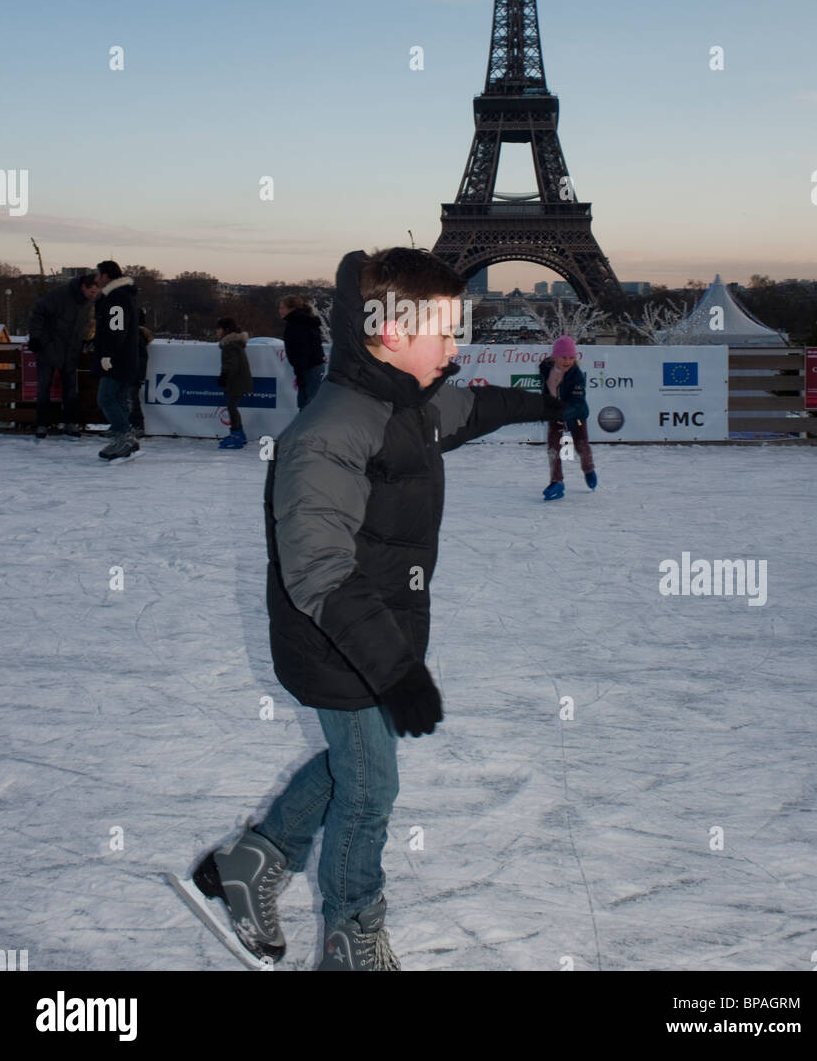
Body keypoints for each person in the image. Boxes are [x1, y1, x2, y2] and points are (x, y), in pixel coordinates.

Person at [188, 247, 571, 971]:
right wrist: (397, 672)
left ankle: (252, 861)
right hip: (338, 641)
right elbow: (319, 572)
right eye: (445, 332)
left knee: (353, 765)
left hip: (381, 628)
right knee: (371, 789)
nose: (455, 349)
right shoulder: (330, 432)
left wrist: (544, 402)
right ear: (393, 332)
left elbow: (470, 408)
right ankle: (350, 934)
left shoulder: (410, 400)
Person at [27, 272, 99, 438]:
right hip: (49, 347)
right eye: (92, 292)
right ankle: (42, 424)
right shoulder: (59, 294)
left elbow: (86, 323)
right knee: (44, 387)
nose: (94, 296)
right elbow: (38, 313)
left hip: (71, 349)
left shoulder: (87, 302)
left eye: (96, 293)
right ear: (83, 287)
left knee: (71, 389)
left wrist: (86, 340)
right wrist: (36, 338)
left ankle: (70, 423)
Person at [91, 261, 140, 461]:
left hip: (117, 360)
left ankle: (125, 436)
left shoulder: (117, 298)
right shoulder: (122, 296)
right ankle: (123, 437)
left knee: (106, 397)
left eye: (97, 275)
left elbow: (116, 329)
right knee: (117, 398)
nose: (95, 279)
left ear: (106, 276)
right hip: (125, 358)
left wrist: (107, 355)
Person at [538, 334, 596, 499]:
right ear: (555, 357)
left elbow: (577, 402)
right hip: (555, 415)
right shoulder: (546, 369)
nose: (567, 361)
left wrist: (562, 412)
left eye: (571, 357)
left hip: (576, 415)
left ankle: (588, 468)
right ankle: (557, 482)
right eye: (564, 357)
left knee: (581, 445)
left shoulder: (577, 376)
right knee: (553, 447)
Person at [278, 296, 325, 409]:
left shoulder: (297, 323)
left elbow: (301, 349)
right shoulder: (303, 320)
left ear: (291, 308)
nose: (279, 310)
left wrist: (300, 374)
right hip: (311, 366)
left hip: (309, 368)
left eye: (282, 307)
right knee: (306, 403)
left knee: (308, 405)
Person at [216, 317, 253, 449]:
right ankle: (238, 433)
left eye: (219, 328)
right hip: (239, 380)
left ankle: (237, 434)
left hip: (236, 381)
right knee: (232, 406)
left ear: (225, 330)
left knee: (232, 407)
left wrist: (224, 376)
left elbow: (231, 364)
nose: (217, 331)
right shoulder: (234, 343)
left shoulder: (230, 345)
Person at [126, 308, 153, 438]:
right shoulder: (136, 335)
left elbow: (141, 358)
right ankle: (131, 425)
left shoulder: (135, 336)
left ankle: (137, 426)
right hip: (132, 373)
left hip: (132, 374)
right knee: (129, 400)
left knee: (131, 400)